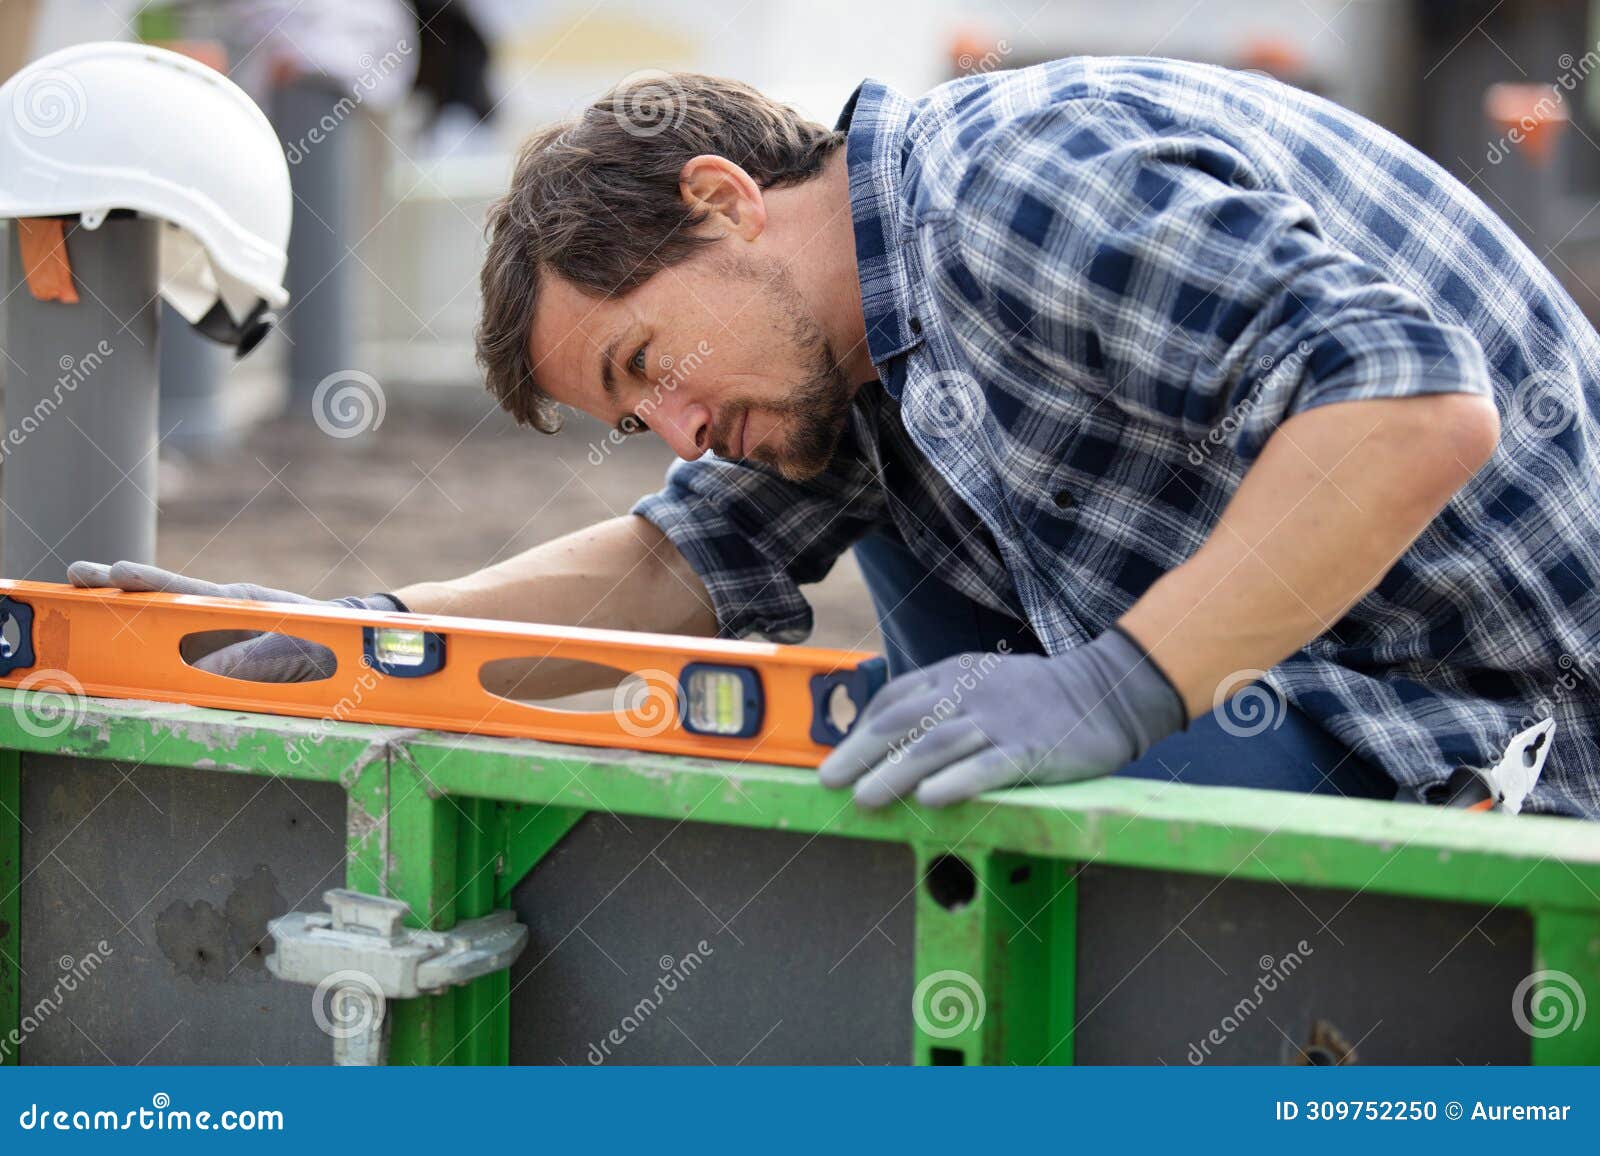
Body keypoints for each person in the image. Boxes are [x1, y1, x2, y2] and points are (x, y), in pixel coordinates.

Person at [76, 60, 1600, 818]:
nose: (675, 428)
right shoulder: (838, 328)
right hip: (1319, 673)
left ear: (725, 202)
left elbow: (1414, 400)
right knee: (829, 496)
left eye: (645, 363)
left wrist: (1117, 688)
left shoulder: (1000, 195)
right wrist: (354, 641)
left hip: (1497, 729)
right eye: (636, 416)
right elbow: (687, 554)